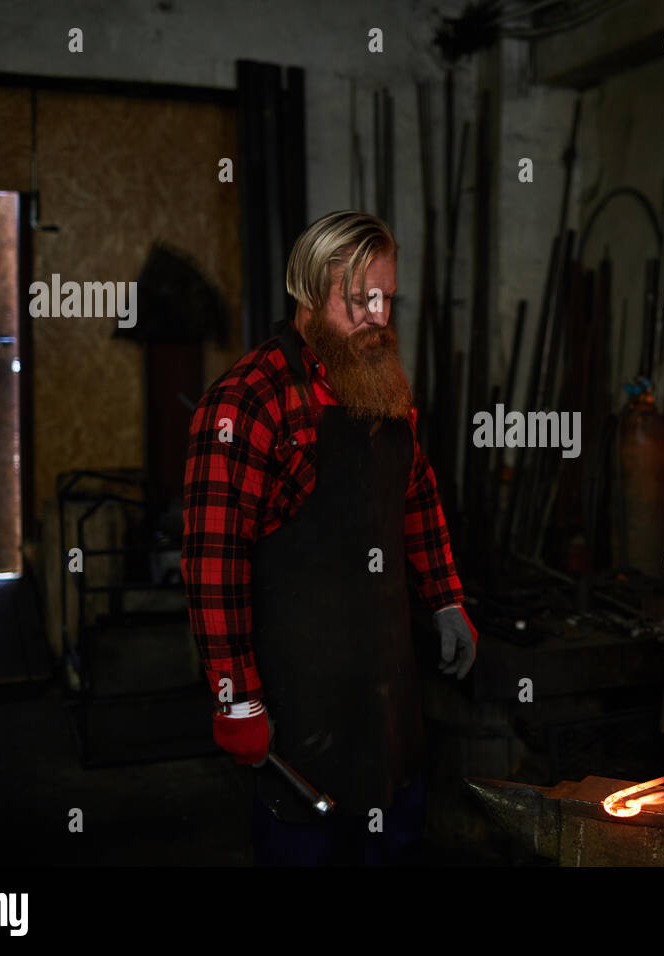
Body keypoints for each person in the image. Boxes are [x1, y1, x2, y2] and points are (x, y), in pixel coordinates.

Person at [181, 210, 477, 865]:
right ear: (311, 294)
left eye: (387, 298)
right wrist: (235, 698)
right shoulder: (247, 403)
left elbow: (416, 495)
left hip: (389, 699)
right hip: (300, 712)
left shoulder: (384, 384)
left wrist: (447, 597)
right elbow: (213, 561)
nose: (379, 315)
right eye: (360, 299)